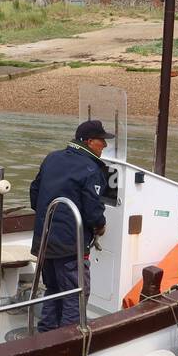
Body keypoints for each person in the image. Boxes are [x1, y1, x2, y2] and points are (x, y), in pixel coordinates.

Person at [30, 119, 110, 331]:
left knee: (53, 289)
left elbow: (34, 195)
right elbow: (93, 211)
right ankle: (68, 341)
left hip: (44, 241)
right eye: (102, 141)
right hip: (70, 245)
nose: (105, 146)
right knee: (76, 293)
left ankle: (46, 334)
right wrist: (100, 226)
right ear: (89, 141)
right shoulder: (91, 168)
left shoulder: (52, 158)